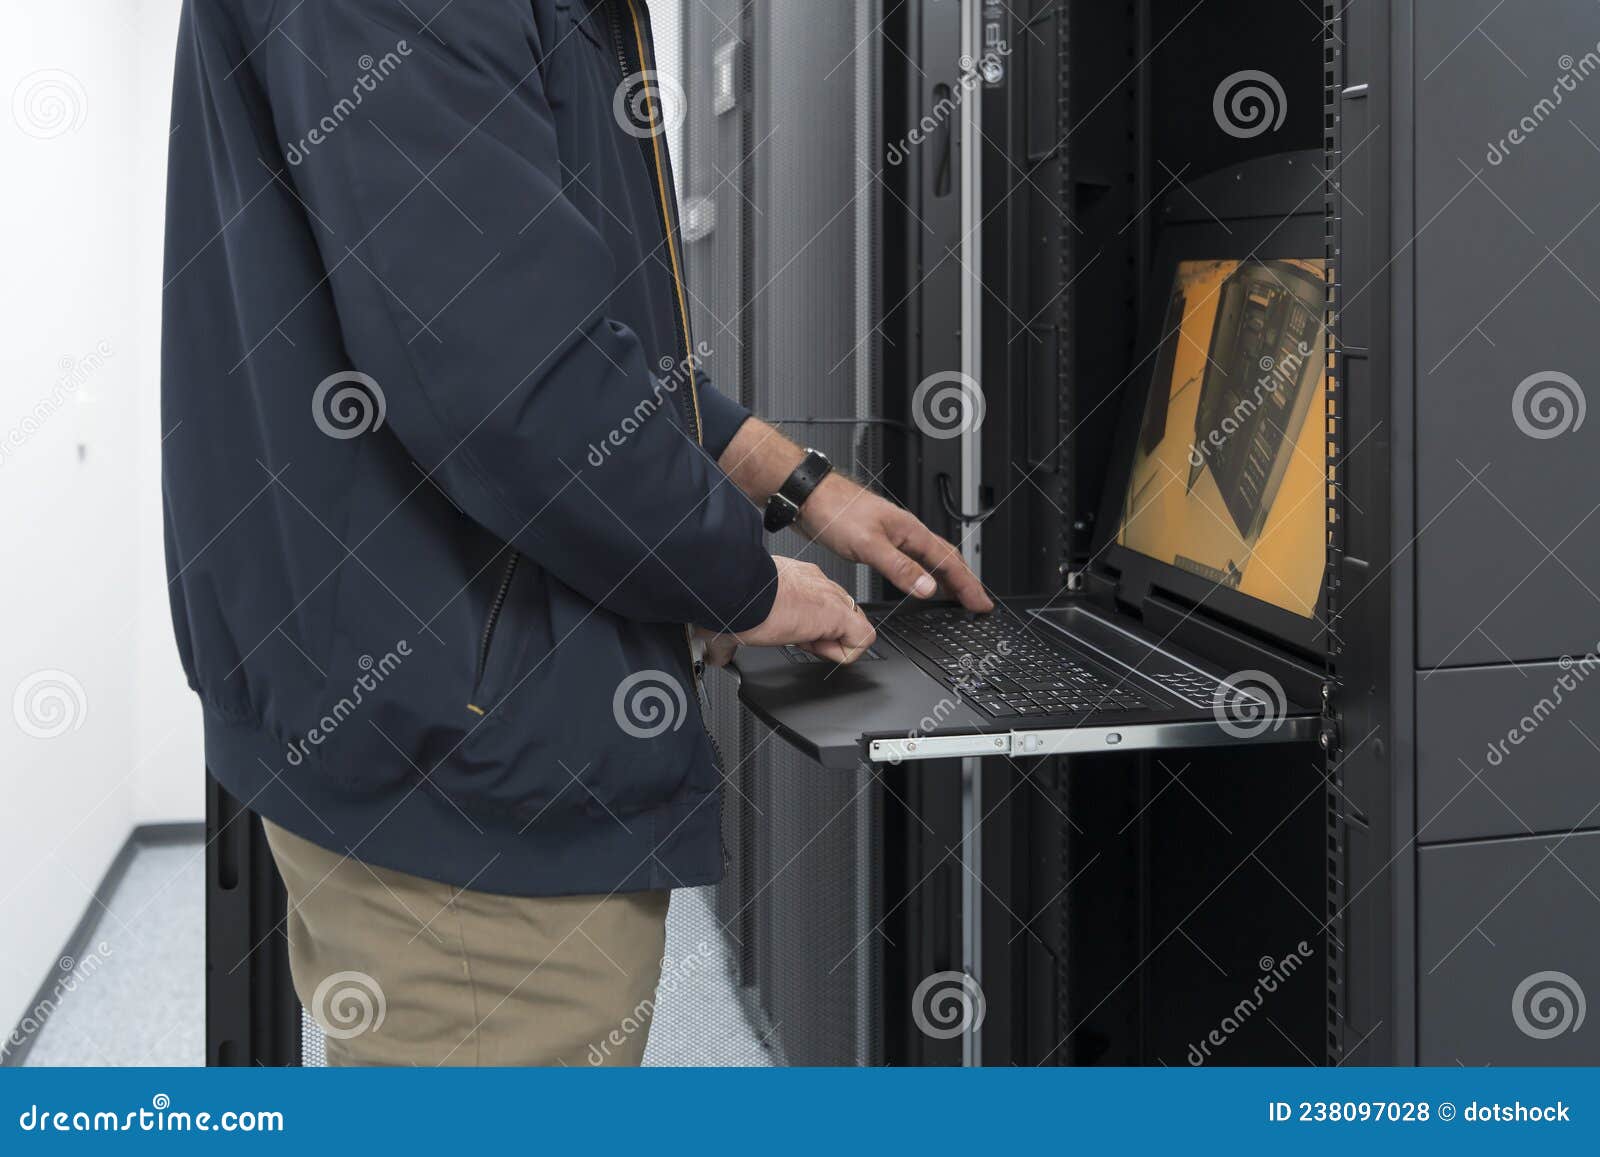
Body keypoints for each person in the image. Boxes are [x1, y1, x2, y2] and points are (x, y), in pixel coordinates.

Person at [162, 0, 990, 1066]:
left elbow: (561, 327)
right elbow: (506, 390)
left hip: (414, 696)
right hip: (473, 743)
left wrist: (794, 481)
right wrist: (743, 582)